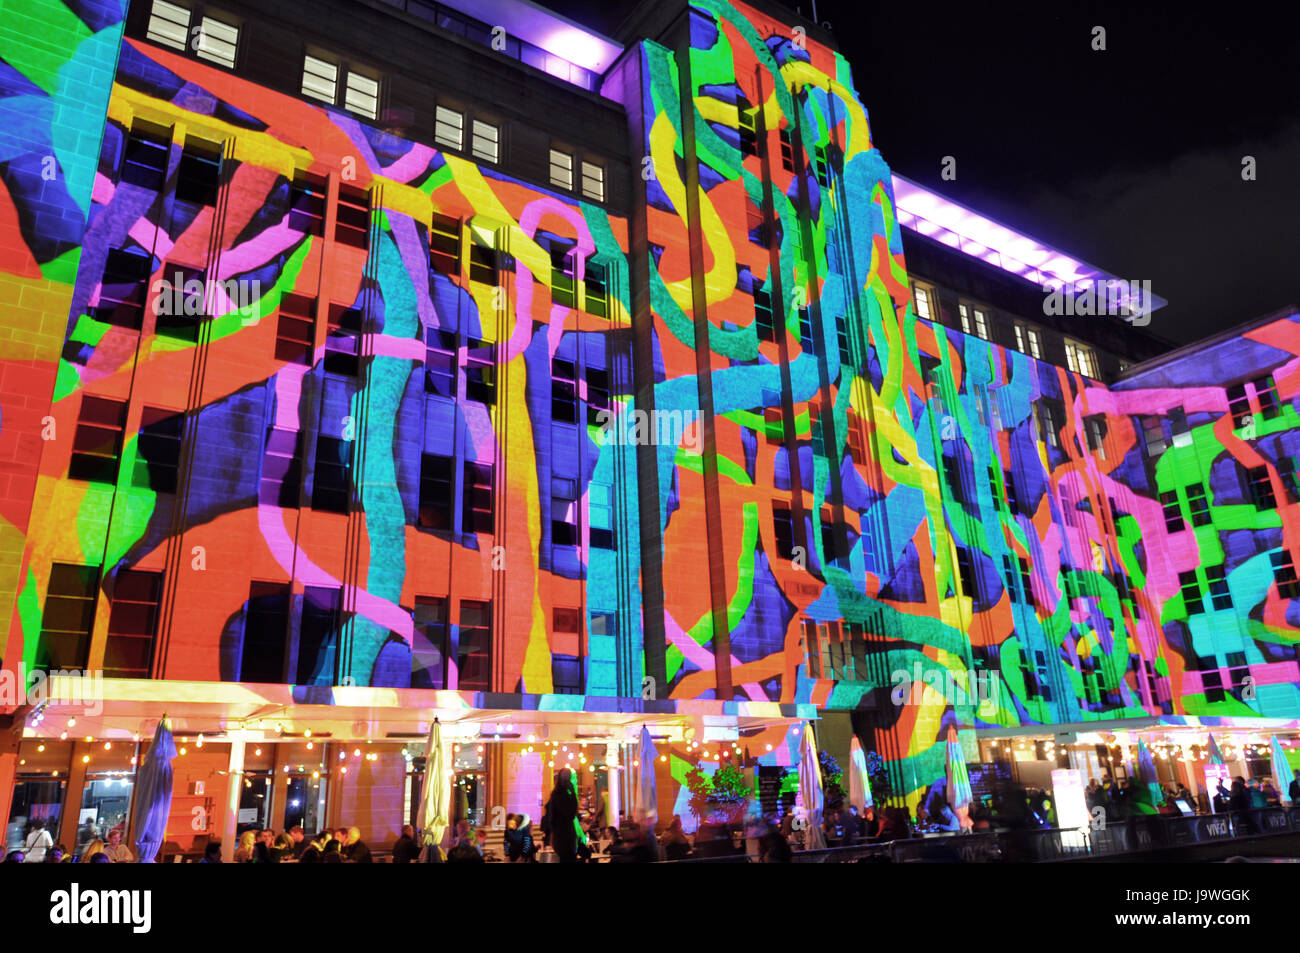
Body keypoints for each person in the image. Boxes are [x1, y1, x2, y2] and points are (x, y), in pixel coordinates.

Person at [545, 767, 583, 863]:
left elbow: (552, 817)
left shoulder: (555, 794)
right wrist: (573, 793)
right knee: (568, 858)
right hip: (565, 834)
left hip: (560, 834)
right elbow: (571, 813)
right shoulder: (563, 795)